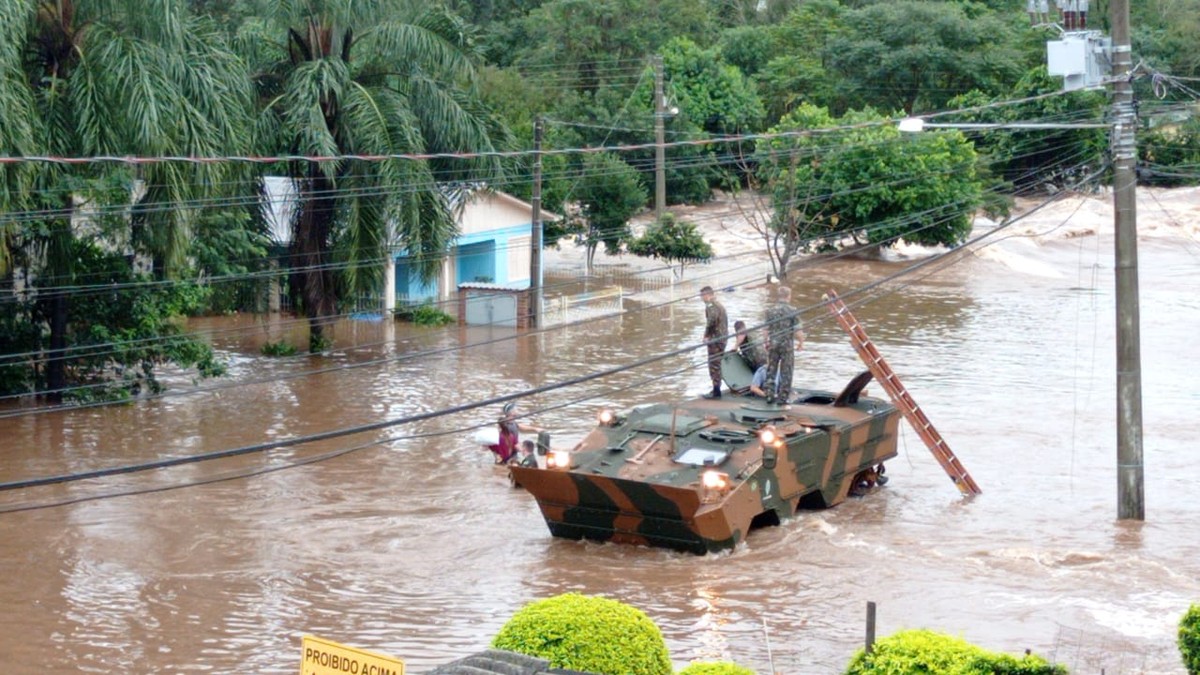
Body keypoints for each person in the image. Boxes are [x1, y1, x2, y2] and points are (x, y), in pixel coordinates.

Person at [763, 286, 805, 405]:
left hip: (773, 345)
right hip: (786, 346)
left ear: (779, 296)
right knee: (786, 371)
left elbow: (766, 328)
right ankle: (782, 397)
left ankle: (769, 395)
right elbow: (798, 330)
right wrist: (801, 343)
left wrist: (765, 341)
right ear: (788, 296)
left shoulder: (770, 310)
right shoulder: (792, 310)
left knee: (771, 369)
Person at [700, 285, 728, 399]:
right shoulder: (719, 304)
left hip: (715, 339)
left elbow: (711, 321)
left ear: (708, 295)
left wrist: (706, 335)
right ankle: (716, 389)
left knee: (713, 364)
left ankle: (716, 391)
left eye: (702, 296)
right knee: (717, 363)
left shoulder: (711, 305)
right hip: (722, 338)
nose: (701, 298)